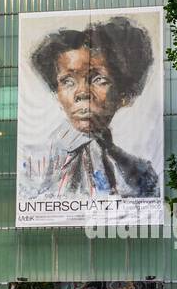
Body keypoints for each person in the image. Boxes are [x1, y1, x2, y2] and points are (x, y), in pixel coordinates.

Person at [25, 16, 159, 198]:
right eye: (67, 81)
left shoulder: (141, 175)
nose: (82, 93)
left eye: (99, 79)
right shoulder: (31, 164)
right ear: (57, 93)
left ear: (124, 94)